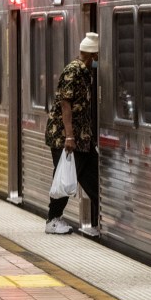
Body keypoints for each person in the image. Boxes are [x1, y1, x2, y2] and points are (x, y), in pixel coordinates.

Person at [44, 32, 100, 234]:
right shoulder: (72, 71)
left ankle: (103, 220)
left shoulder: (86, 72)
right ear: (92, 56)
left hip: (83, 137)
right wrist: (69, 136)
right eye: (98, 57)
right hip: (64, 137)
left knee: (93, 178)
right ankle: (52, 220)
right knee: (65, 178)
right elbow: (65, 104)